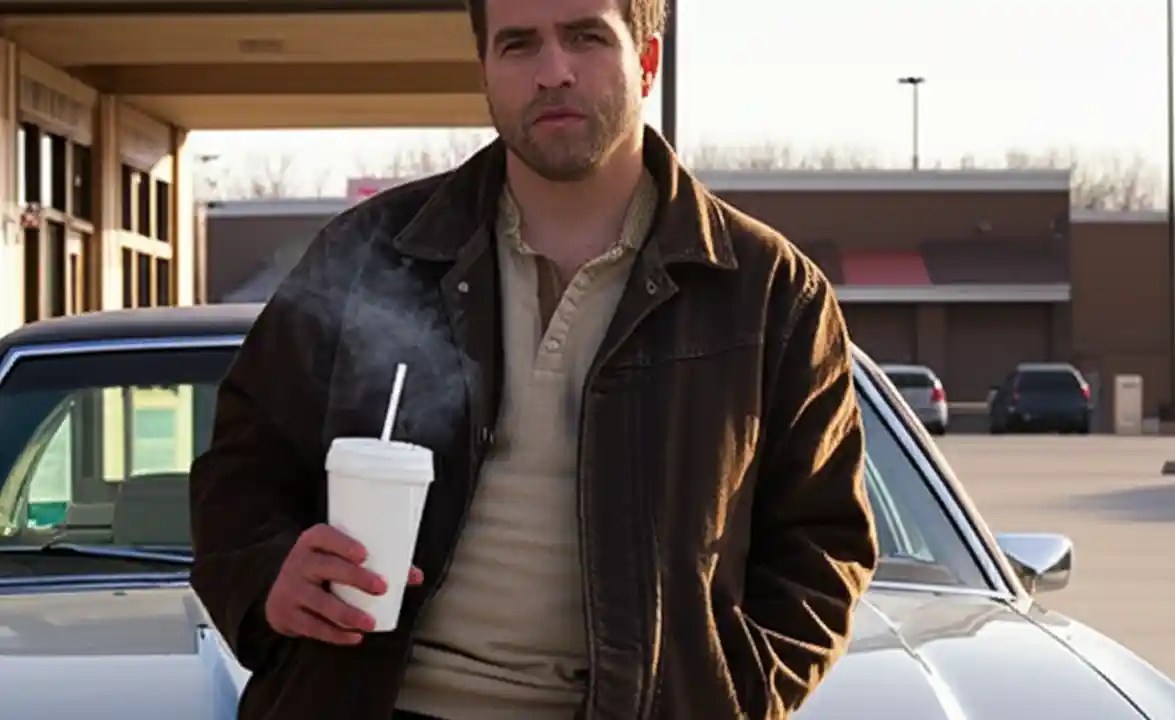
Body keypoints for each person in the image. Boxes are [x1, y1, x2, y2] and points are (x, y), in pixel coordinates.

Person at [188, 0, 878, 718]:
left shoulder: (767, 294)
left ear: (646, 63)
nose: (553, 72)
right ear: (485, 72)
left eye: (585, 38)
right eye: (518, 45)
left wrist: (728, 695)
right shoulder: (372, 253)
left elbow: (823, 547)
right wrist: (269, 570)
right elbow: (241, 466)